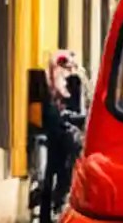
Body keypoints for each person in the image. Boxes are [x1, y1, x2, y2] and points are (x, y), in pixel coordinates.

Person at [40, 50, 85, 223]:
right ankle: (50, 210)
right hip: (54, 138)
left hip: (64, 138)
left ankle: (57, 205)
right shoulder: (50, 90)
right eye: (63, 67)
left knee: (62, 173)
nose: (66, 72)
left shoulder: (72, 84)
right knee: (51, 175)